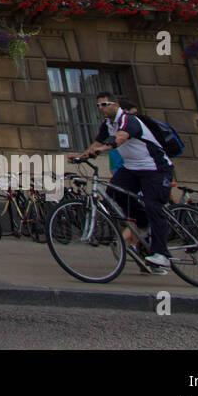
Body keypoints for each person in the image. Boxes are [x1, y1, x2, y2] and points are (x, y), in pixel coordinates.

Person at [68, 91, 174, 273]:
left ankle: (161, 254)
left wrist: (102, 149)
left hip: (155, 168)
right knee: (114, 192)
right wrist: (81, 156)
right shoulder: (107, 124)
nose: (101, 108)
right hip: (132, 168)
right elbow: (96, 143)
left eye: (105, 104)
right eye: (98, 106)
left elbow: (121, 138)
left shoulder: (128, 120)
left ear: (115, 105)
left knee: (153, 205)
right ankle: (143, 221)